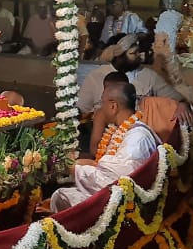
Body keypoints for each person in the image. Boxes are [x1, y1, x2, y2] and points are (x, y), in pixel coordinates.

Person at [51, 79, 161, 210]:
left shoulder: (137, 139)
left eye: (102, 103)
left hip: (123, 206)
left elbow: (113, 181)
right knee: (62, 194)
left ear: (113, 106)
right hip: (115, 195)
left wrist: (72, 168)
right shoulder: (122, 130)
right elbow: (105, 165)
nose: (100, 108)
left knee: (62, 196)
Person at [77, 34, 183, 115]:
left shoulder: (148, 75)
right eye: (133, 53)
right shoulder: (97, 75)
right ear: (119, 56)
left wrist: (182, 105)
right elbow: (83, 108)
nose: (139, 57)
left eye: (138, 52)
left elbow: (175, 98)